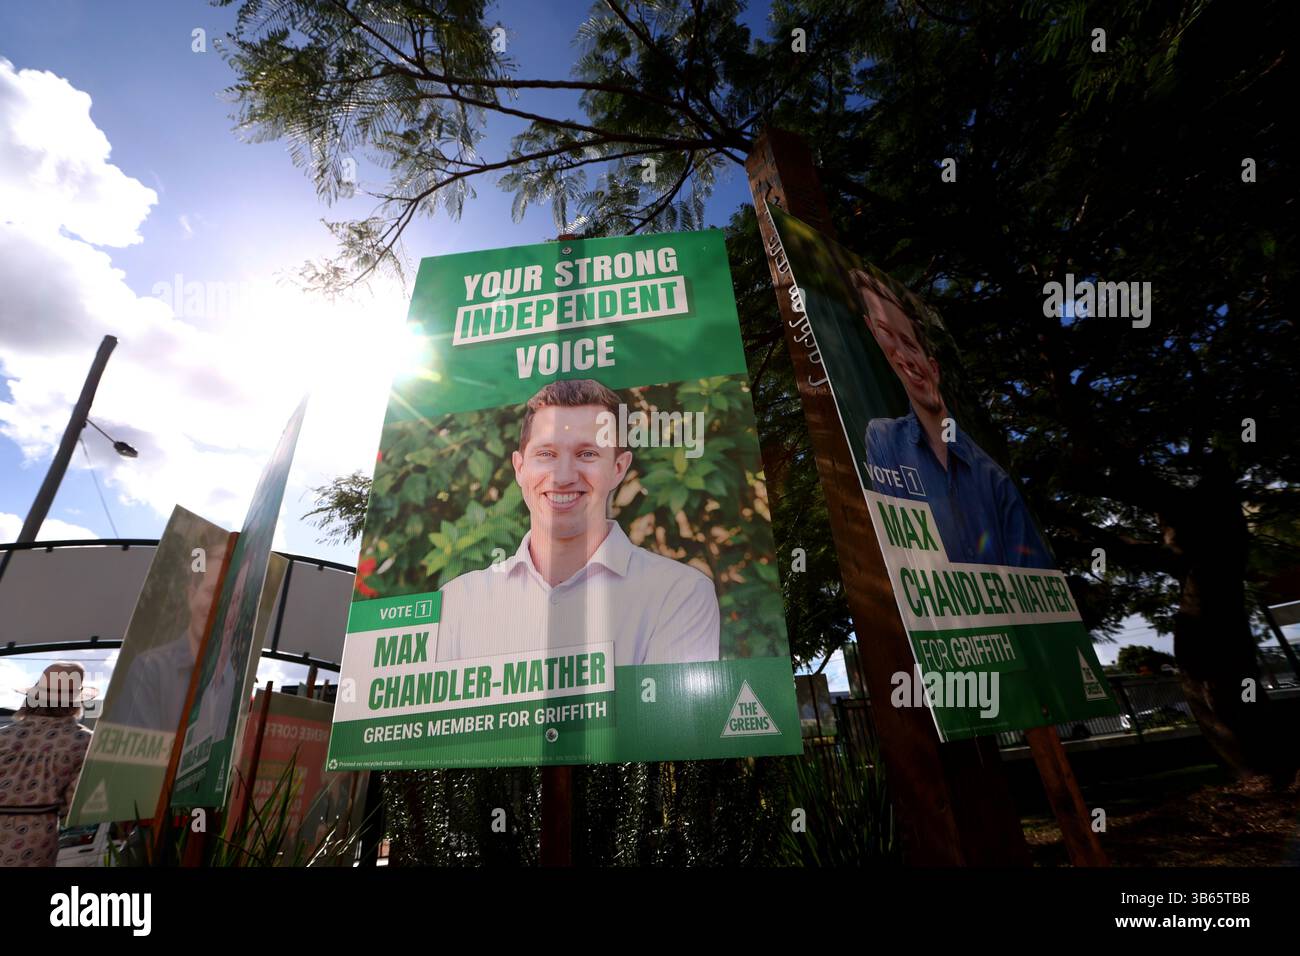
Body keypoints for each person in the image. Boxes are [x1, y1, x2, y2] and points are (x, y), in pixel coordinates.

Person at [436, 379, 720, 666]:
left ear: (618, 468)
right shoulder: (455, 604)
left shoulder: (679, 593)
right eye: (546, 454)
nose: (563, 477)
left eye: (587, 454)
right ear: (520, 468)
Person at [850, 268, 1053, 569]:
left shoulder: (994, 479)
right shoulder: (883, 438)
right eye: (888, 337)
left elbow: (1035, 579)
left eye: (910, 344)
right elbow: (908, 557)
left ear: (934, 367)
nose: (905, 359)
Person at [0, 662, 96, 867]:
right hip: (33, 838)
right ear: (75, 701)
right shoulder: (83, 741)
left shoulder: (3, 736)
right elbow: (75, 805)